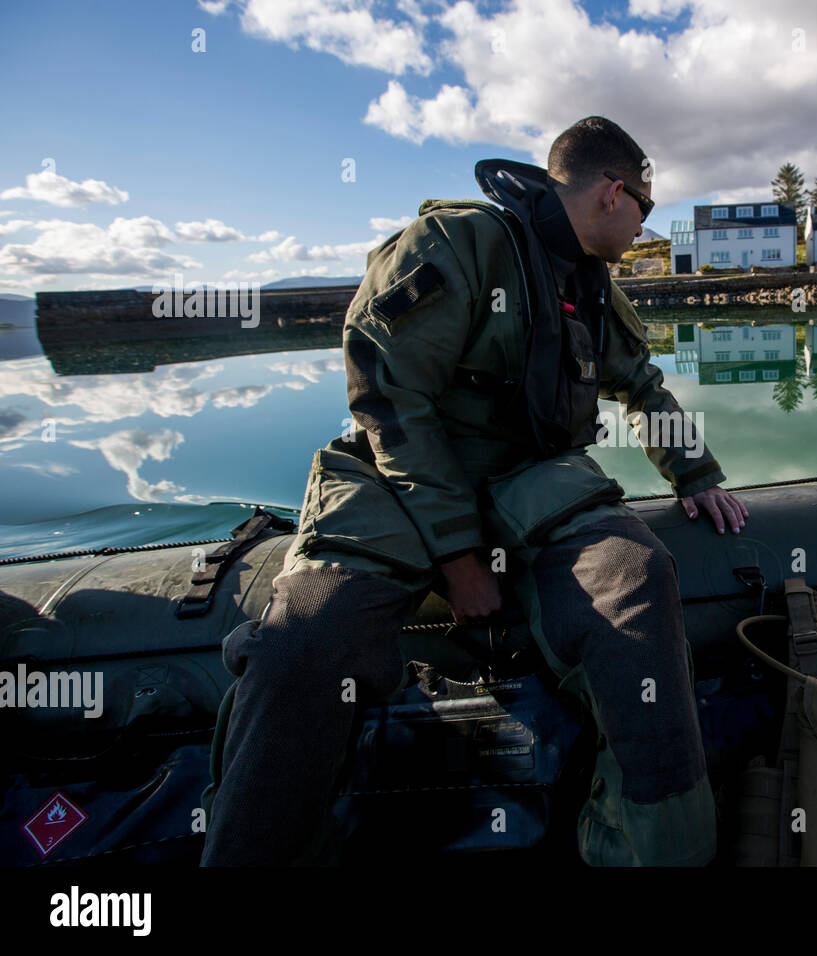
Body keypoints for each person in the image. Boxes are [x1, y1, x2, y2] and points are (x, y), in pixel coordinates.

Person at [200, 116, 749, 867]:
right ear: (613, 192)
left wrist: (696, 475)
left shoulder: (589, 284)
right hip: (400, 475)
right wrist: (459, 558)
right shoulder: (457, 244)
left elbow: (641, 386)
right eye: (645, 209)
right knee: (304, 638)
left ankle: (652, 848)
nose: (643, 226)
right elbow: (389, 395)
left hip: (532, 479)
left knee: (638, 576)